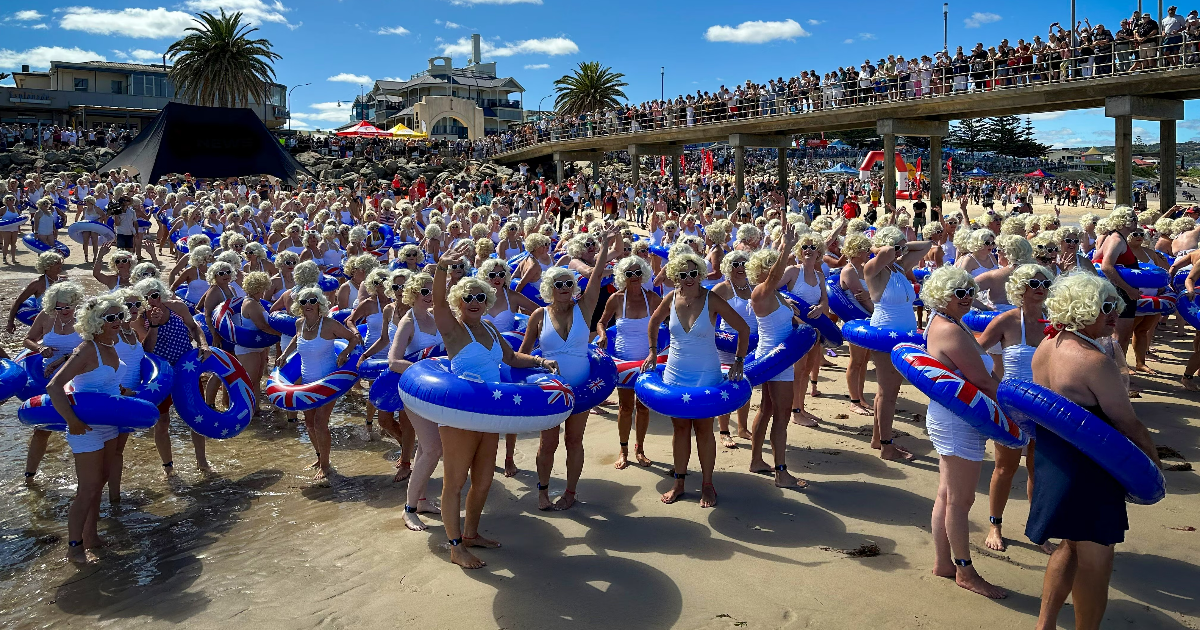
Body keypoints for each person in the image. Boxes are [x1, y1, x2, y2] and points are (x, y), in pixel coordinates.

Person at [1029, 272, 1161, 630]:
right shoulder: (1092, 361)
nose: (1115, 315)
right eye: (1106, 308)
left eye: (1115, 306)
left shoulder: (1047, 346)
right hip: (1091, 470)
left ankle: (1045, 625)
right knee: (1096, 559)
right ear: (1082, 309)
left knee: (1069, 546)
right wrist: (1154, 466)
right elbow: (1128, 423)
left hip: (1057, 460)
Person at [428, 251, 556, 569]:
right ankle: (456, 547)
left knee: (483, 480)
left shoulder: (491, 329)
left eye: (480, 297)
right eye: (468, 297)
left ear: (487, 302)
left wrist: (540, 361)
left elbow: (511, 359)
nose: (474, 301)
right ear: (461, 300)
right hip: (461, 413)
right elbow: (439, 303)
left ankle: (471, 534)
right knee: (454, 482)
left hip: (489, 413)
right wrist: (443, 267)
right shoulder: (453, 328)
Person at [920, 266, 1007, 599]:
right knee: (961, 499)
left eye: (969, 291)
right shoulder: (951, 330)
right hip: (958, 421)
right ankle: (964, 571)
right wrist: (1019, 407)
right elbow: (982, 380)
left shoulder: (947, 322)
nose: (967, 297)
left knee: (947, 493)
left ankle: (944, 562)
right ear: (943, 296)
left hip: (953, 416)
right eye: (959, 293)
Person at [519, 226, 619, 511]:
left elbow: (597, 275)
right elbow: (523, 354)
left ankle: (571, 492)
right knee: (547, 443)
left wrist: (602, 247)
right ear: (549, 289)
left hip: (581, 388)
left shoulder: (584, 307)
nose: (564, 289)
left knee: (574, 441)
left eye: (568, 284)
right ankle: (543, 491)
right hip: (550, 391)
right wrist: (534, 364)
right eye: (558, 285)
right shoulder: (538, 315)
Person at [643, 250, 750, 507]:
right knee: (680, 429)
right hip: (675, 371)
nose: (689, 278)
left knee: (703, 429)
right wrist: (652, 351)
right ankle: (679, 482)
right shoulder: (670, 297)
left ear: (700, 274)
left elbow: (743, 328)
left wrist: (739, 360)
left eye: (693, 273)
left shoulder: (711, 298)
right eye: (683, 274)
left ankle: (707, 484)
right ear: (675, 276)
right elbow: (653, 322)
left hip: (706, 372)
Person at [976, 264, 1055, 554]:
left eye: (1045, 281)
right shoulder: (1007, 320)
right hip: (1010, 405)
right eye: (1034, 282)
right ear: (1020, 287)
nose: (1040, 286)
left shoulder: (1054, 323)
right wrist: (994, 385)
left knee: (1038, 470)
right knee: (1005, 468)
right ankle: (995, 524)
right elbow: (976, 352)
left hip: (1045, 406)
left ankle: (1038, 530)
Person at [46, 293, 129, 564]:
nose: (118, 321)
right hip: (86, 427)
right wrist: (72, 421)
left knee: (101, 482)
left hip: (109, 425)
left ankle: (92, 537)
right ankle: (74, 548)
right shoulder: (87, 349)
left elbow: (108, 384)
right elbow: (54, 387)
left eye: (120, 316)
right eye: (111, 318)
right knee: (88, 488)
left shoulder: (112, 343)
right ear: (97, 322)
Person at [746, 222, 808, 488]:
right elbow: (774, 276)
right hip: (776, 359)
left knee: (768, 409)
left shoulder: (778, 295)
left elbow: (787, 321)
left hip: (778, 356)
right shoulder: (761, 291)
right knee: (782, 415)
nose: (777, 271)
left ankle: (757, 460)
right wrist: (786, 246)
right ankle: (781, 472)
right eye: (771, 266)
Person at [278, 286, 362, 481]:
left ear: (319, 304)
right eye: (304, 302)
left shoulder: (329, 324)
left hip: (328, 383)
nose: (308, 305)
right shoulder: (299, 323)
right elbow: (295, 340)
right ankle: (319, 457)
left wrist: (344, 353)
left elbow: (354, 338)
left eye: (312, 301)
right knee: (308, 423)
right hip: (307, 381)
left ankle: (325, 466)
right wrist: (284, 354)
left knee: (319, 423)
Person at [864, 226, 932, 461]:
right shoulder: (873, 269)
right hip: (885, 332)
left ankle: (877, 437)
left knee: (886, 390)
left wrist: (901, 247)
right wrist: (883, 246)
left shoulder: (899, 267)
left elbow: (926, 245)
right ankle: (886, 445)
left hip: (904, 332)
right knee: (889, 392)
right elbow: (882, 253)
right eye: (898, 245)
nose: (902, 249)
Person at [138, 278, 214, 476]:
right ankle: (168, 467)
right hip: (160, 377)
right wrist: (153, 325)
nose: (152, 300)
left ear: (161, 294)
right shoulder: (139, 319)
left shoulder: (177, 307)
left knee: (195, 417)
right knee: (162, 423)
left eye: (155, 295)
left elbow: (195, 328)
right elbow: (147, 349)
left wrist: (203, 345)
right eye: (146, 298)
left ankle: (202, 462)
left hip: (186, 369)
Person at [594, 254, 661, 469]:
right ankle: (623, 451)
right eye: (629, 274)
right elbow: (601, 322)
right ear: (623, 276)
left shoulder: (652, 298)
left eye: (637, 273)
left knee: (643, 408)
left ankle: (639, 449)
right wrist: (602, 335)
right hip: (622, 361)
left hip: (647, 361)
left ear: (643, 275)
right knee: (625, 407)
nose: (633, 277)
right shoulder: (616, 299)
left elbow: (672, 318)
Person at [389, 272, 445, 529]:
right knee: (433, 449)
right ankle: (409, 509)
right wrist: (425, 368)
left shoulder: (435, 318)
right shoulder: (408, 322)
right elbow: (394, 361)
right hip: (415, 389)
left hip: (435, 391)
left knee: (427, 447)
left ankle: (420, 499)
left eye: (431, 290)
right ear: (413, 294)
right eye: (424, 291)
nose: (429, 295)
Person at [21, 281, 84, 480]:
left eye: (68, 306)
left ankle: (83, 479)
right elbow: (28, 339)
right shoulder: (46, 317)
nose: (64, 310)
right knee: (41, 430)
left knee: (81, 429)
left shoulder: (83, 319)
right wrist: (40, 349)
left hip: (78, 377)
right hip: (47, 378)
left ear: (75, 303)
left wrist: (62, 360)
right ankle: (29, 477)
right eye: (59, 307)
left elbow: (90, 347)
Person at [710, 249, 757, 446]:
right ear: (728, 267)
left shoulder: (755, 287)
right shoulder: (722, 289)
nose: (740, 268)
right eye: (735, 264)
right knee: (727, 388)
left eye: (743, 264)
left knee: (746, 386)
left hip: (752, 345)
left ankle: (743, 428)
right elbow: (707, 314)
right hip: (727, 346)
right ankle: (724, 430)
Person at [7, 251, 66, 334]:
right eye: (57, 264)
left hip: (64, 314)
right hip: (45, 316)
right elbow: (18, 301)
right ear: (47, 266)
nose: (61, 266)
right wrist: (10, 322)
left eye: (60, 263)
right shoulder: (37, 283)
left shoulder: (64, 280)